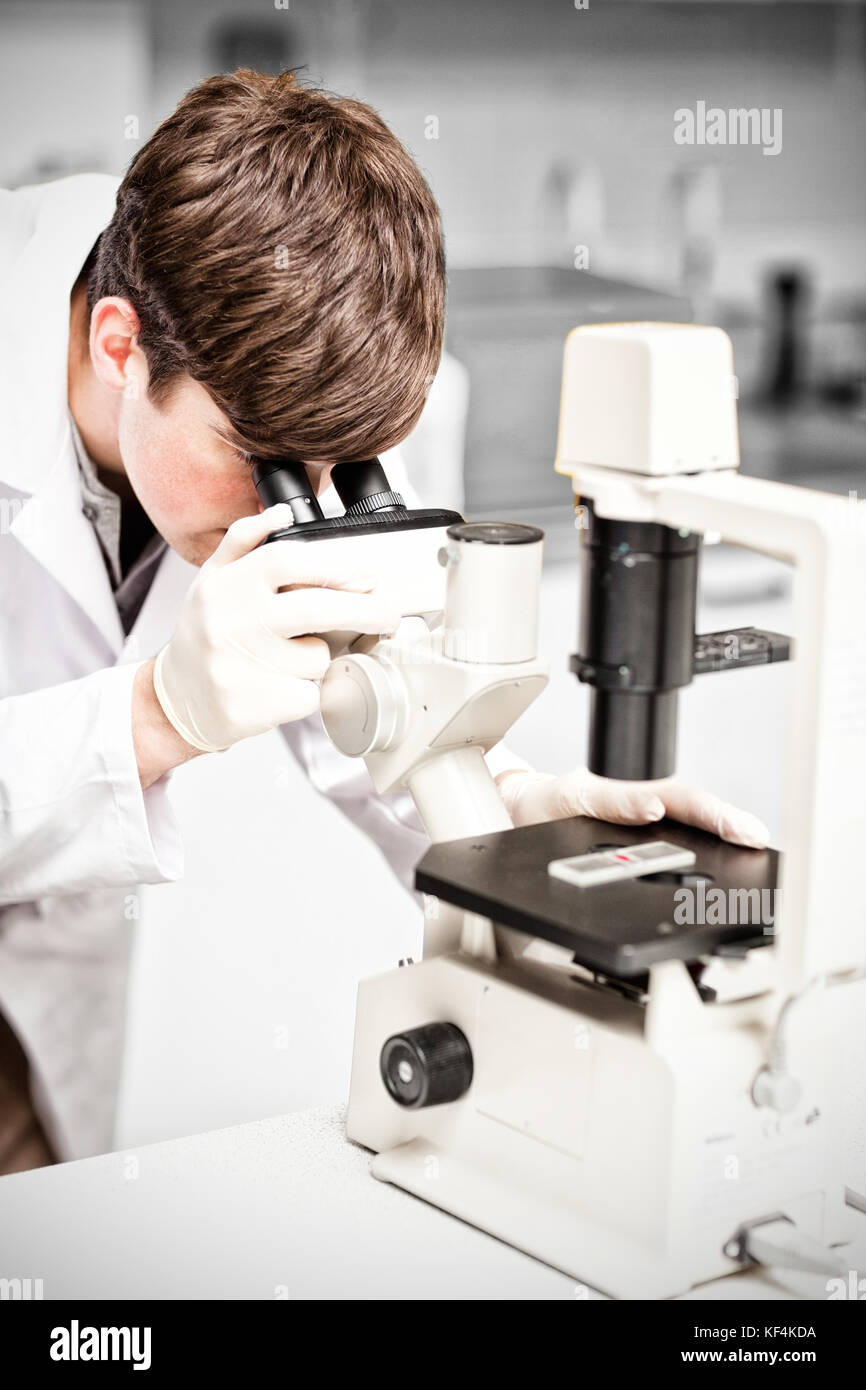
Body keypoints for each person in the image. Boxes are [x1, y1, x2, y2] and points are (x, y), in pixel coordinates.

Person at [0, 69, 769, 1177]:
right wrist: (156, 717)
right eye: (263, 461)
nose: (297, 500)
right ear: (121, 347)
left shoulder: (298, 390)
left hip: (40, 963)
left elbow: (386, 711)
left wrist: (522, 820)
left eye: (327, 471)